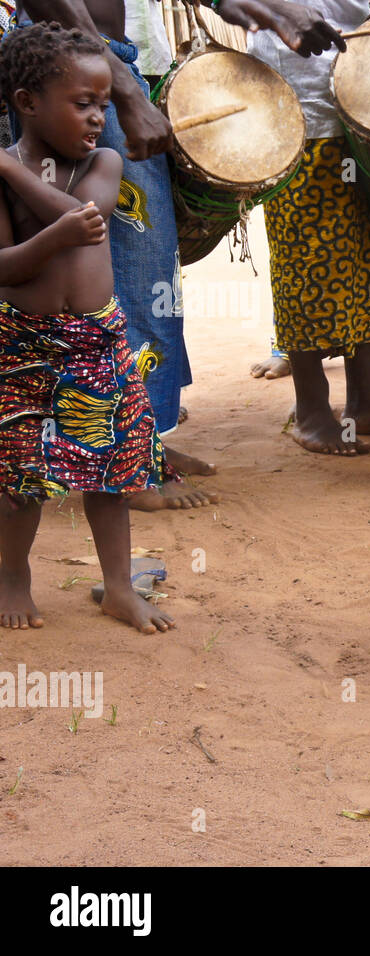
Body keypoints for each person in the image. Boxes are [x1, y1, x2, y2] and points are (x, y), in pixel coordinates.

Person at [19, 0, 347, 506]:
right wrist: (125, 95)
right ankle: (127, 466)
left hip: (104, 60)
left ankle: (145, 445)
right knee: (125, 271)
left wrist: (269, 9)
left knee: (151, 269)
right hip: (71, 67)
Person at [0, 22, 173, 631]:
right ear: (27, 103)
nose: (99, 116)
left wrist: (11, 170)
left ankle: (119, 585)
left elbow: (90, 218)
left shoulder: (104, 160)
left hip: (98, 342)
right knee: (23, 474)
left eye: (103, 103)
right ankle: (14, 576)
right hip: (25, 345)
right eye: (84, 103)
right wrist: (47, 231)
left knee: (113, 469)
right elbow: (4, 268)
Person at [248, 0, 370, 455]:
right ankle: (312, 407)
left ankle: (366, 398)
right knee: (307, 262)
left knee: (366, 257)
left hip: (358, 99)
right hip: (296, 110)